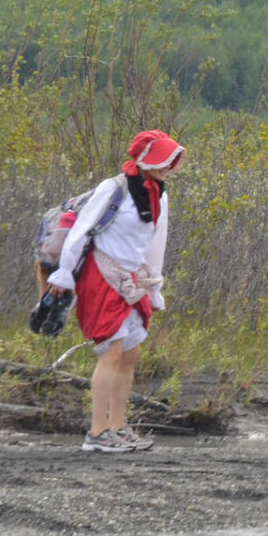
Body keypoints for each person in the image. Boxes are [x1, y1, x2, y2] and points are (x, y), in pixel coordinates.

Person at [45, 130, 184, 454]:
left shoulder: (159, 195)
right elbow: (81, 231)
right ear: (145, 159)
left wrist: (154, 287)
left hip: (133, 278)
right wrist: (65, 275)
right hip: (101, 275)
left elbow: (154, 245)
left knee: (130, 352)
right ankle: (97, 432)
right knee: (111, 349)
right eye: (163, 158)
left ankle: (118, 427)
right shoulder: (114, 188)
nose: (169, 166)